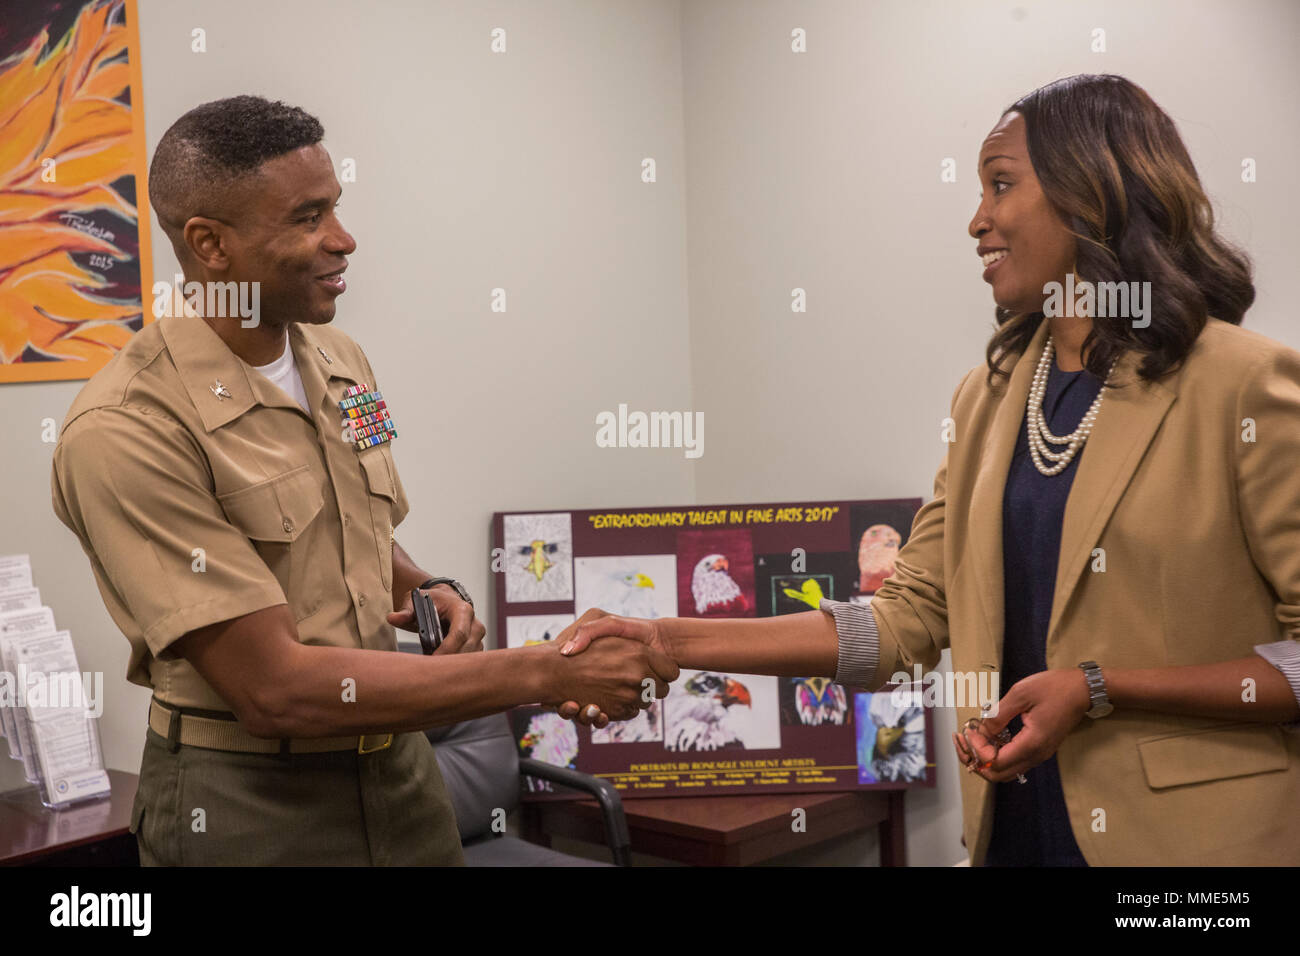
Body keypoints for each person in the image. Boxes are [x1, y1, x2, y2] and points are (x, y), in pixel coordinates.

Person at [557, 74, 1300, 866]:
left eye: (1001, 184)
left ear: (1093, 190)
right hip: (1012, 832)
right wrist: (667, 638)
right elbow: (904, 620)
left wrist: (1097, 687)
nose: (977, 219)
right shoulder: (985, 398)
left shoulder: (1244, 383)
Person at [50, 95, 675, 866]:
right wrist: (541, 671)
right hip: (252, 806)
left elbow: (361, 528)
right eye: (308, 218)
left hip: (402, 782)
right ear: (211, 244)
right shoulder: (124, 430)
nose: (343, 240)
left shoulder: (344, 363)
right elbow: (272, 687)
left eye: (336, 209)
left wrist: (426, 584)